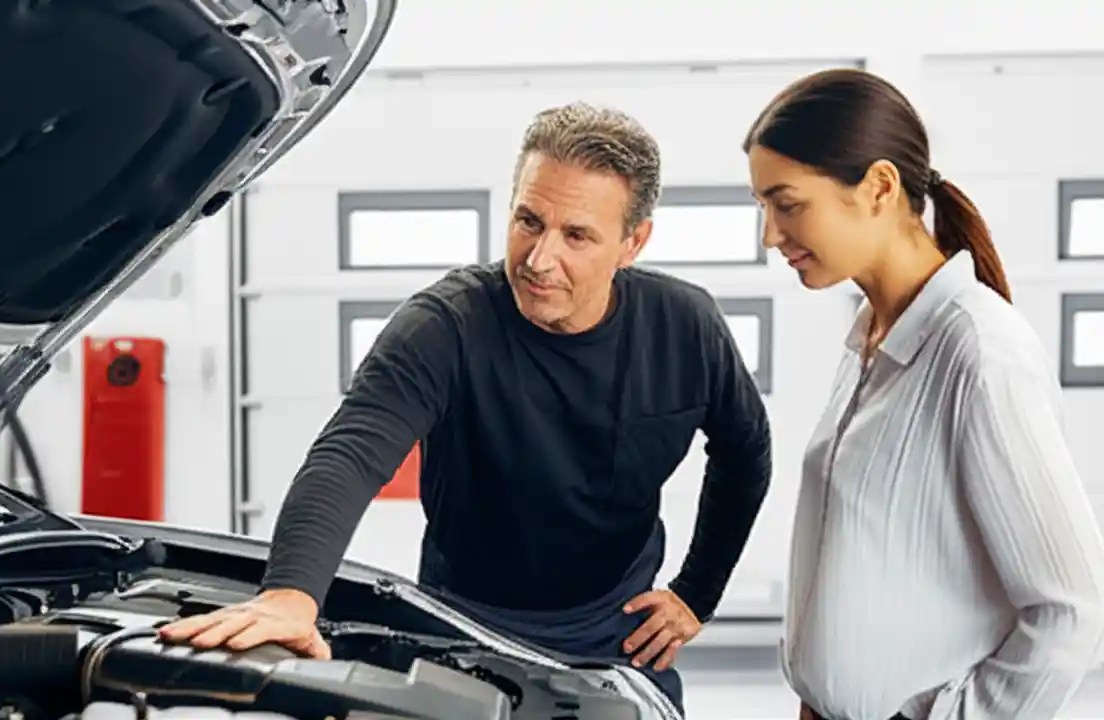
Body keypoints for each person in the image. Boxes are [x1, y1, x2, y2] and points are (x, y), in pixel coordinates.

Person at [160, 102, 774, 713]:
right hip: (459, 623)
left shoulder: (684, 327)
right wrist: (291, 595)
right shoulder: (445, 326)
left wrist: (696, 593)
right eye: (528, 220)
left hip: (616, 631)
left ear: (632, 242)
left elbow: (745, 452)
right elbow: (349, 456)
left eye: (576, 236)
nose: (539, 259)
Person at [743, 67, 1104, 720]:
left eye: (787, 204)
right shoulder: (868, 340)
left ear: (879, 187)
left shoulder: (979, 350)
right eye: (762, 207)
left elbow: (1069, 610)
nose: (770, 234)